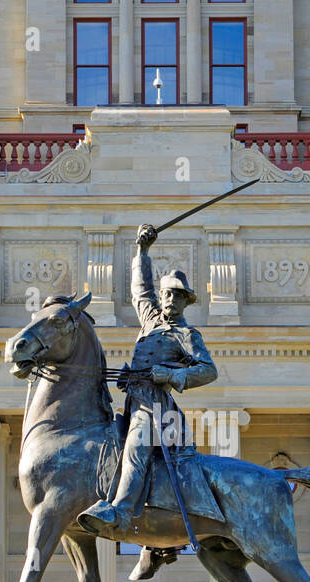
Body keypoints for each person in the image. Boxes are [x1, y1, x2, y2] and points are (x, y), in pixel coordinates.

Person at [78, 223, 217, 545]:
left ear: (186, 302)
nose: (169, 300)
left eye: (176, 296)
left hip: (155, 408)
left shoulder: (187, 336)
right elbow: (140, 290)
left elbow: (209, 371)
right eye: (167, 294)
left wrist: (171, 375)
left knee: (136, 452)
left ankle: (121, 512)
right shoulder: (151, 321)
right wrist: (142, 251)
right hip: (132, 400)